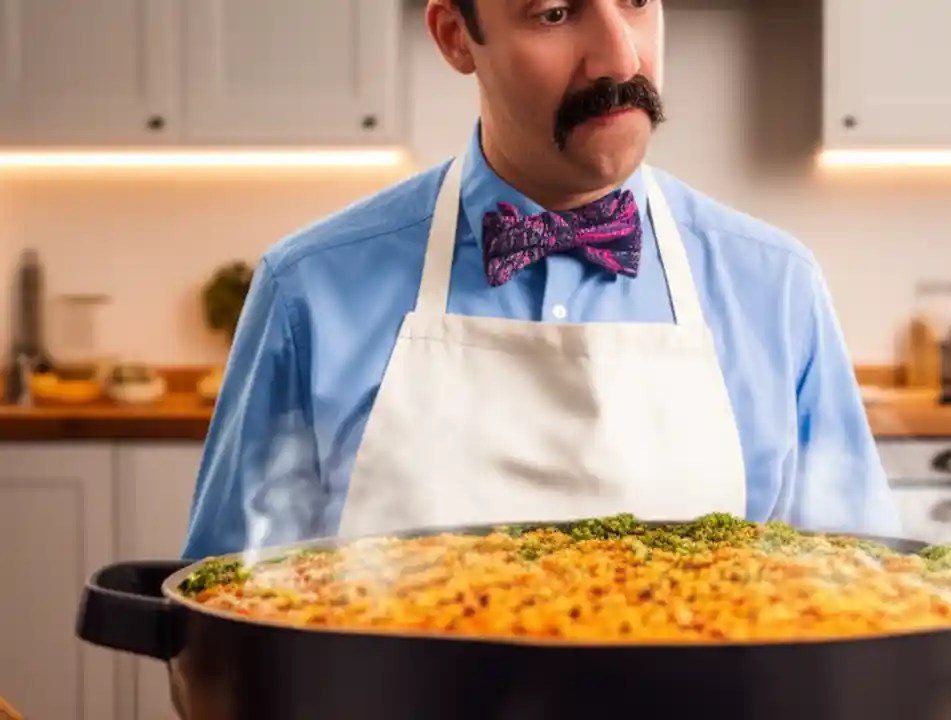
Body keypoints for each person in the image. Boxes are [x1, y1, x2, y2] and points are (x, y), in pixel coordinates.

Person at [180, 0, 900, 560]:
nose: (620, 57)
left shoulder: (777, 289)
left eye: (638, 1)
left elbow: (869, 613)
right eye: (555, 13)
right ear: (456, 36)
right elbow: (224, 636)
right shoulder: (307, 290)